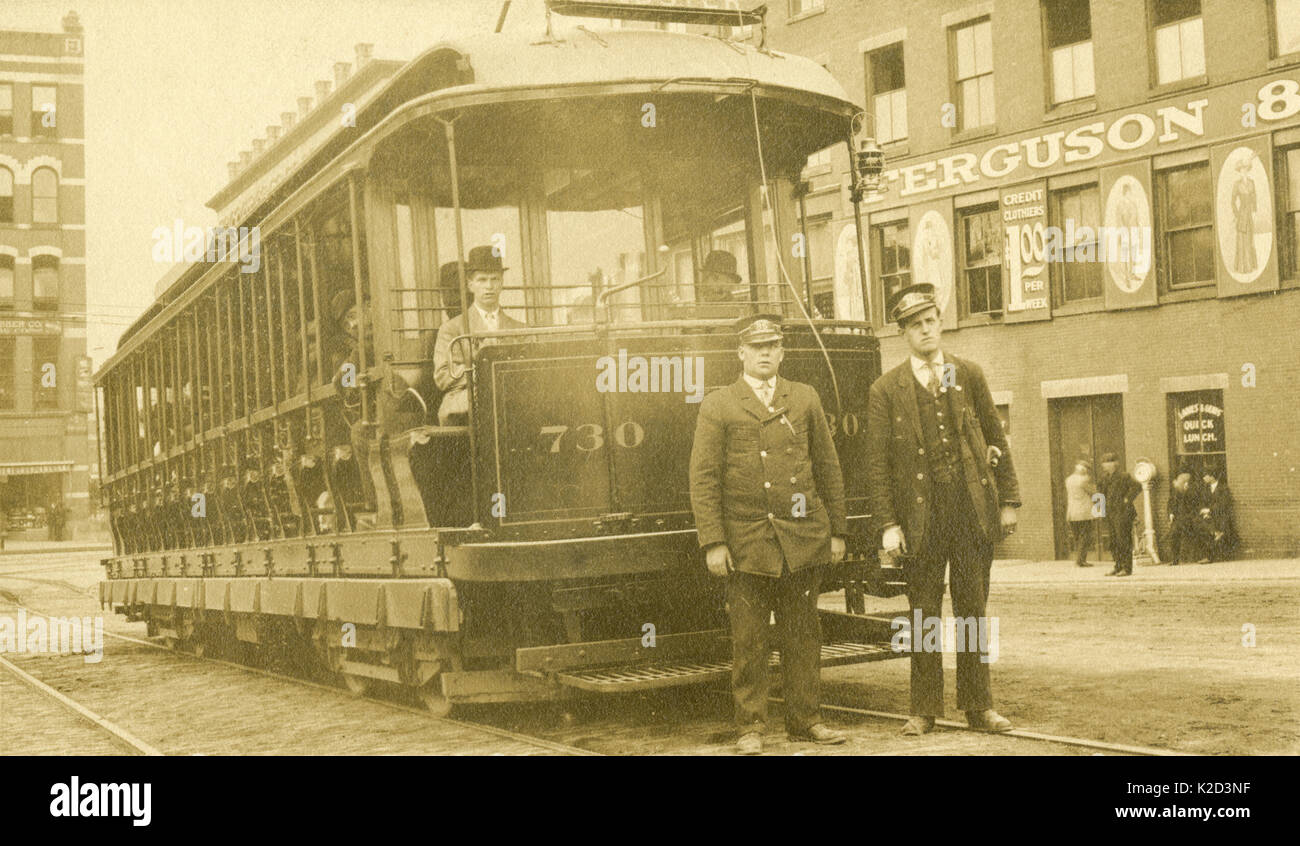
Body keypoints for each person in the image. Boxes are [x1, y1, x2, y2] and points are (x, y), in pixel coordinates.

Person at [864, 283, 1021, 736]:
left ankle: (979, 706)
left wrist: (1008, 501)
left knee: (973, 609)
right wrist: (888, 526)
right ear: (903, 333)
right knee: (923, 614)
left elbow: (996, 438)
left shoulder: (966, 374)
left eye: (931, 321)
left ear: (940, 322)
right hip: (920, 521)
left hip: (970, 514)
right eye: (916, 325)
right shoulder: (886, 390)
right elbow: (876, 465)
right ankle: (923, 709)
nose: (927, 330)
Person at [688, 313, 848, 755]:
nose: (764, 353)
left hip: (802, 536)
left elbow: (828, 467)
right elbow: (703, 478)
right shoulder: (719, 403)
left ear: (782, 352)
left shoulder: (805, 397)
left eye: (772, 346)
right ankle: (750, 727)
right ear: (740, 352)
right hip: (747, 542)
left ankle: (806, 720)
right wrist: (714, 541)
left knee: (803, 634)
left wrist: (837, 531)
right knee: (750, 638)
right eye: (756, 346)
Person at [432, 246, 525, 426]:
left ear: (502, 283)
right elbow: (443, 376)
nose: (489, 286)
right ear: (470, 284)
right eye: (482, 280)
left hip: (511, 399)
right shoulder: (451, 329)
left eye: (494, 279)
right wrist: (483, 372)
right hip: (467, 403)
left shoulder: (520, 329)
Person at [1098, 453, 1140, 577]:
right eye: (1104, 462)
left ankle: (1127, 568)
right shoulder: (1104, 478)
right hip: (1110, 513)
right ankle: (1118, 566)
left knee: (1123, 540)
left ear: (1114, 463)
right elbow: (1100, 494)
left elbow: (1136, 487)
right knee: (1114, 541)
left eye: (1107, 462)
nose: (1105, 465)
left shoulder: (1124, 476)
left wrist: (1127, 499)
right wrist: (1099, 511)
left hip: (1123, 513)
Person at [690, 249, 748, 320]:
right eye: (705, 277)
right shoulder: (712, 305)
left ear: (729, 283)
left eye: (714, 278)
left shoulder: (729, 309)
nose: (705, 283)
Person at [1167, 469, 1207, 566]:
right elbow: (1171, 504)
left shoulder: (1193, 490)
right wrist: (1171, 513)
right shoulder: (1176, 491)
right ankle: (1175, 559)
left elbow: (1195, 504)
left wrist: (1186, 490)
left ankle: (1204, 556)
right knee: (1173, 534)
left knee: (1199, 531)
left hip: (1192, 517)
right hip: (1179, 518)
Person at [1199, 467, 1237, 562]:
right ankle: (1216, 534)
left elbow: (1224, 503)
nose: (1203, 478)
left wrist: (1209, 511)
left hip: (1221, 516)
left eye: (1205, 476)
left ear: (1212, 476)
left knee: (1210, 527)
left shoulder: (1223, 488)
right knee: (1202, 526)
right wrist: (1205, 513)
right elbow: (1203, 503)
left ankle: (1210, 557)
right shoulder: (1205, 489)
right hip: (1210, 517)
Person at [1064, 461, 1096, 567]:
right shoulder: (1084, 480)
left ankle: (1079, 559)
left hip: (1072, 513)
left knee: (1078, 537)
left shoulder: (1068, 480)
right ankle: (1081, 560)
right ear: (1084, 470)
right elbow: (1093, 492)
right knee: (1085, 536)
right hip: (1083, 513)